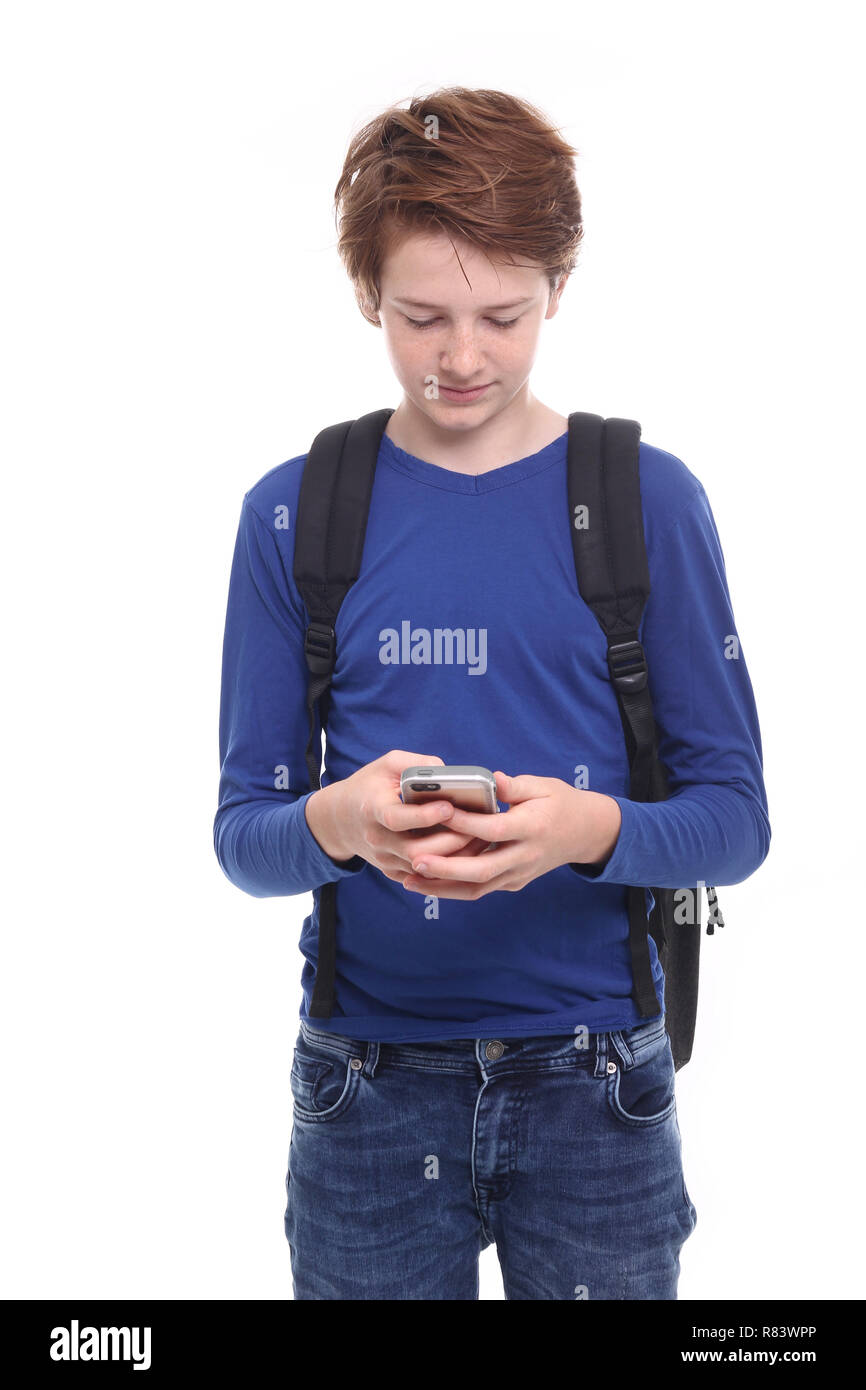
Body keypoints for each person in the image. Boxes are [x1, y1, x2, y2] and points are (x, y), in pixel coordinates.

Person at [213, 87, 770, 1300]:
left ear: (557, 289)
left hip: (596, 1090)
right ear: (367, 294)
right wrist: (338, 822)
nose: (460, 357)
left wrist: (587, 833)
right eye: (420, 316)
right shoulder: (293, 510)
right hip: (362, 1089)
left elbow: (734, 822)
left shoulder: (646, 501)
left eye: (501, 316)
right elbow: (243, 840)